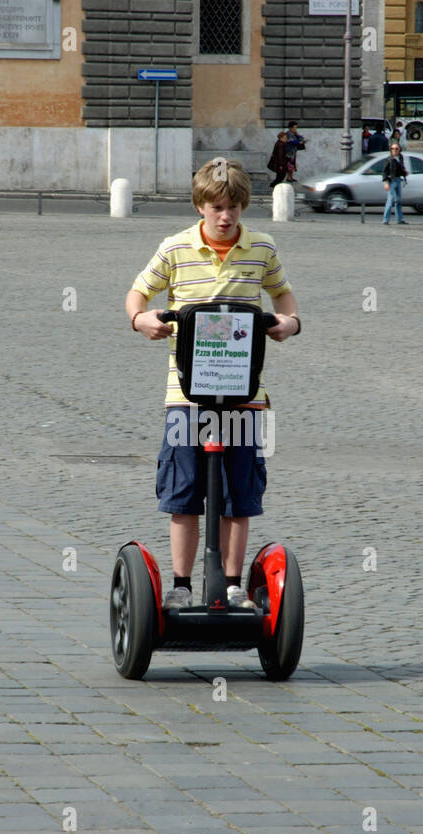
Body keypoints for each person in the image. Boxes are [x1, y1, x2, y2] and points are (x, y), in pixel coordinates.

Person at [125, 158, 300, 611]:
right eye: (218, 207)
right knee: (183, 492)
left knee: (239, 494)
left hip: (244, 395)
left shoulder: (262, 248)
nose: (226, 216)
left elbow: (282, 294)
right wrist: (140, 318)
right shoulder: (175, 248)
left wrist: (290, 321)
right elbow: (138, 293)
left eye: (235, 208)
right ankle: (182, 585)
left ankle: (234, 584)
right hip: (186, 395)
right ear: (200, 206)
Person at [380, 141, 407, 225]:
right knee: (390, 199)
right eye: (392, 148)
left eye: (396, 149)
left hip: (398, 180)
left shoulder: (401, 157)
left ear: (399, 149)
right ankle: (385, 220)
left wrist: (404, 173)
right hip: (391, 180)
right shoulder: (389, 159)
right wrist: (385, 182)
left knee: (398, 200)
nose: (394, 150)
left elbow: (400, 169)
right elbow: (384, 171)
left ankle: (399, 219)